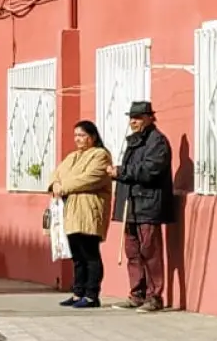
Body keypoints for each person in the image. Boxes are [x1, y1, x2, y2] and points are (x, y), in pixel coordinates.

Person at [107, 100, 174, 312]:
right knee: (132, 252)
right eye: (131, 118)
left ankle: (154, 297)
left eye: (137, 118)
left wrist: (120, 172)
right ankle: (137, 294)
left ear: (149, 118)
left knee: (150, 251)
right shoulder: (134, 141)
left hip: (148, 204)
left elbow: (149, 171)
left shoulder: (158, 142)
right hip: (131, 204)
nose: (133, 122)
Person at [49, 120, 113, 308]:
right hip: (71, 210)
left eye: (82, 135)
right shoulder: (73, 156)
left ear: (92, 137)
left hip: (88, 209)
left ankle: (92, 294)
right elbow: (56, 174)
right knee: (76, 254)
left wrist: (64, 186)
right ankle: (78, 292)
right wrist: (55, 185)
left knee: (89, 253)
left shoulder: (100, 155)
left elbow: (90, 178)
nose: (78, 139)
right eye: (76, 135)